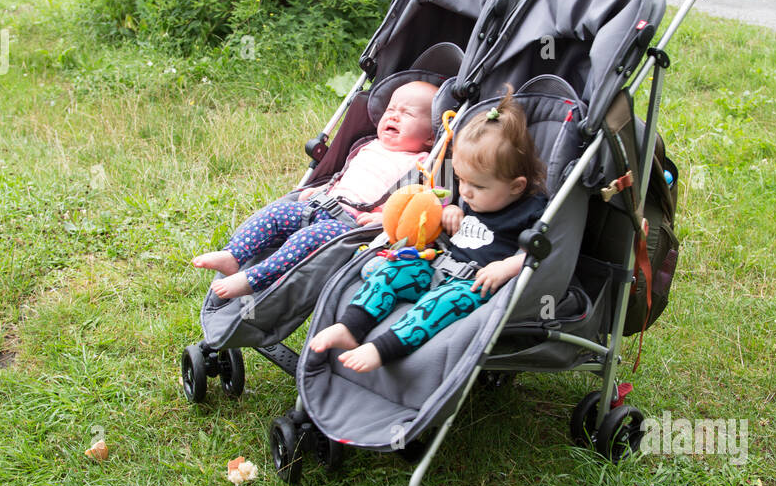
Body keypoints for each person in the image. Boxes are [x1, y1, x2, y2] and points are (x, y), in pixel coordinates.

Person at [309, 87, 547, 372]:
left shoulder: (531, 209)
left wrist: (508, 267)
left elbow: (539, 250)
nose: (467, 192)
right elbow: (460, 207)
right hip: (435, 264)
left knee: (438, 305)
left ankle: (383, 348)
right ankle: (351, 327)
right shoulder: (476, 197)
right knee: (390, 272)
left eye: (478, 186)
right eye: (461, 181)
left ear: (516, 186)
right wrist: (451, 210)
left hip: (472, 285)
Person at [193, 80, 438, 299]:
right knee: (275, 213)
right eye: (391, 110)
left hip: (349, 227)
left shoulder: (422, 163)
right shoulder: (368, 145)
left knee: (304, 240)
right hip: (323, 204)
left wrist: (384, 218)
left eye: (406, 114)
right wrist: (322, 189)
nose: (393, 117)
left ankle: (253, 279)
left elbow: (419, 203)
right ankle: (233, 255)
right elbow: (344, 176)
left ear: (429, 137)